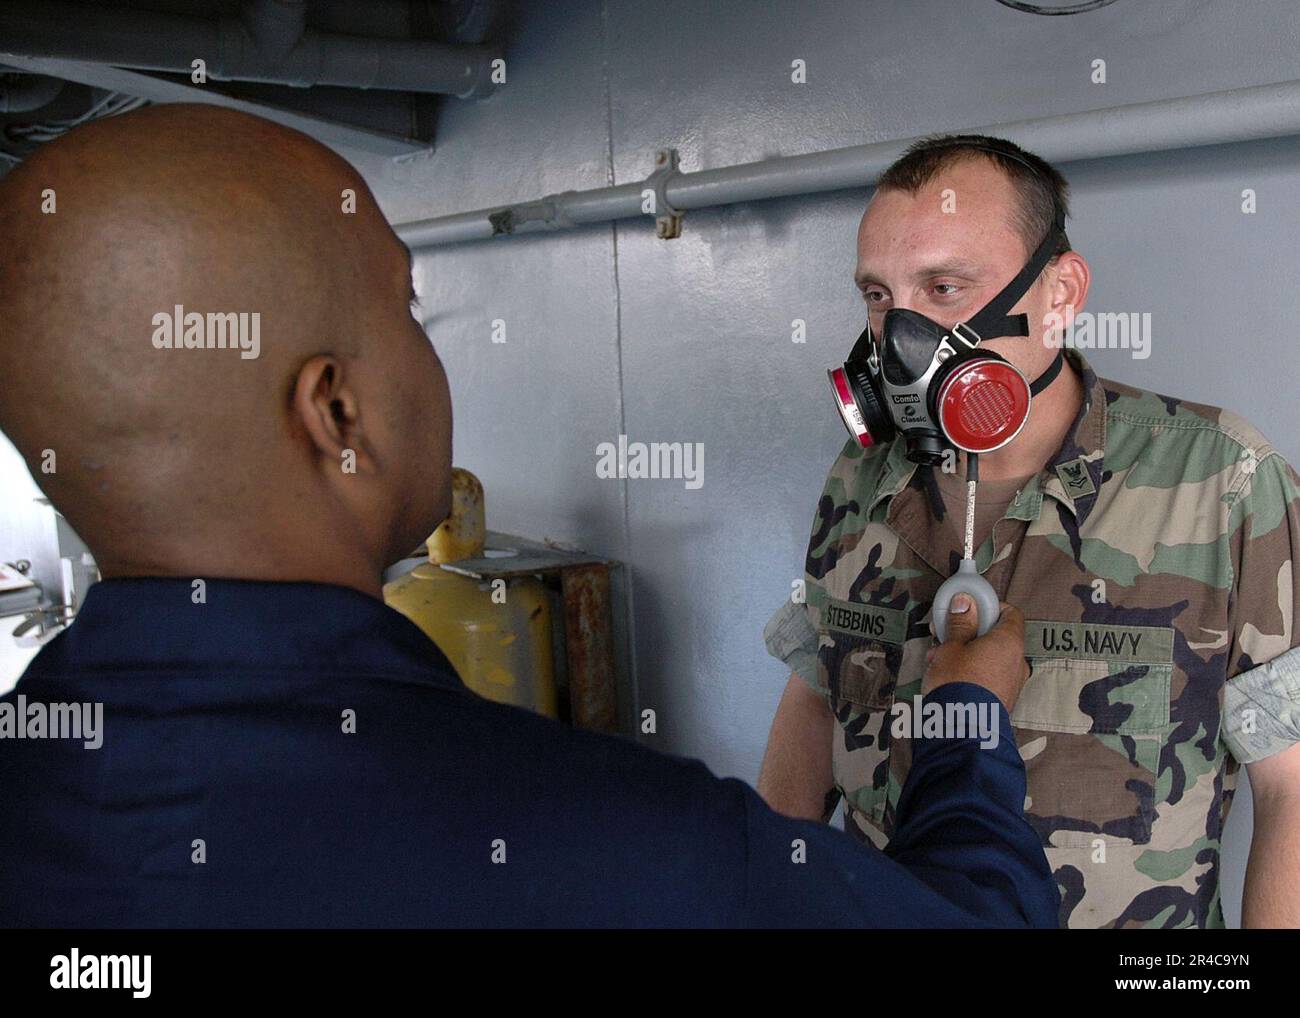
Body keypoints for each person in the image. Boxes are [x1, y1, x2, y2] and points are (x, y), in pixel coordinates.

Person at [0, 105, 1056, 928]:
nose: (899, 332)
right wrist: (963, 726)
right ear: (336, 411)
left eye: (944, 287)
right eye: (406, 311)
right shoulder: (625, 846)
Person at [759, 134, 1300, 929]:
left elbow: (1289, 789)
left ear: (1060, 293)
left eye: (943, 288)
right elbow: (813, 704)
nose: (897, 339)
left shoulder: (1222, 481)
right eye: (879, 296)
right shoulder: (863, 476)